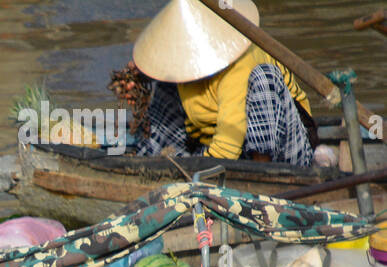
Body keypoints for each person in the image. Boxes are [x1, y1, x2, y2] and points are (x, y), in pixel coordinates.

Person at [116, 0, 315, 167]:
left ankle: (261, 176)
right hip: (215, 150)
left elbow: (227, 147)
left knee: (264, 77)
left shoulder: (240, 63)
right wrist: (143, 77)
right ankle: (150, 163)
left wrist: (198, 174)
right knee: (166, 85)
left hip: (282, 154)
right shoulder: (182, 66)